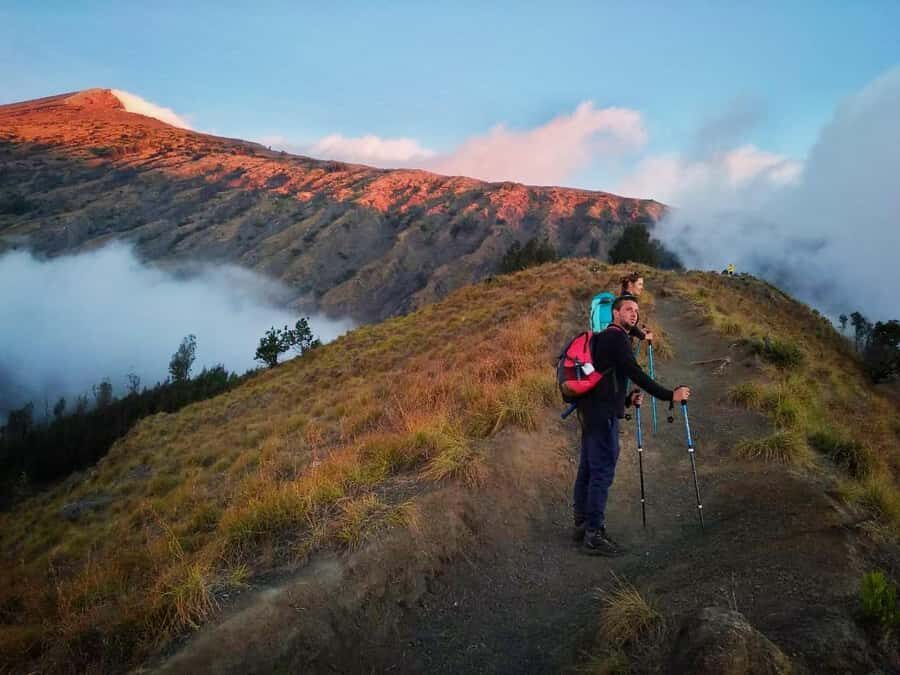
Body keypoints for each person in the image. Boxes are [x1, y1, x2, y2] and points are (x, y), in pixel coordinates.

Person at [573, 295, 690, 556]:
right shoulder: (617, 339)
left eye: (636, 310)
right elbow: (636, 373)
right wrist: (670, 395)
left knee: (588, 469)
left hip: (590, 412)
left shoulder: (603, 338)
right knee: (601, 472)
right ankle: (593, 534)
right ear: (615, 313)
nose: (634, 314)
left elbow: (604, 381)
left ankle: (582, 525)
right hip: (601, 416)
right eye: (628, 310)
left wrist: (625, 400)